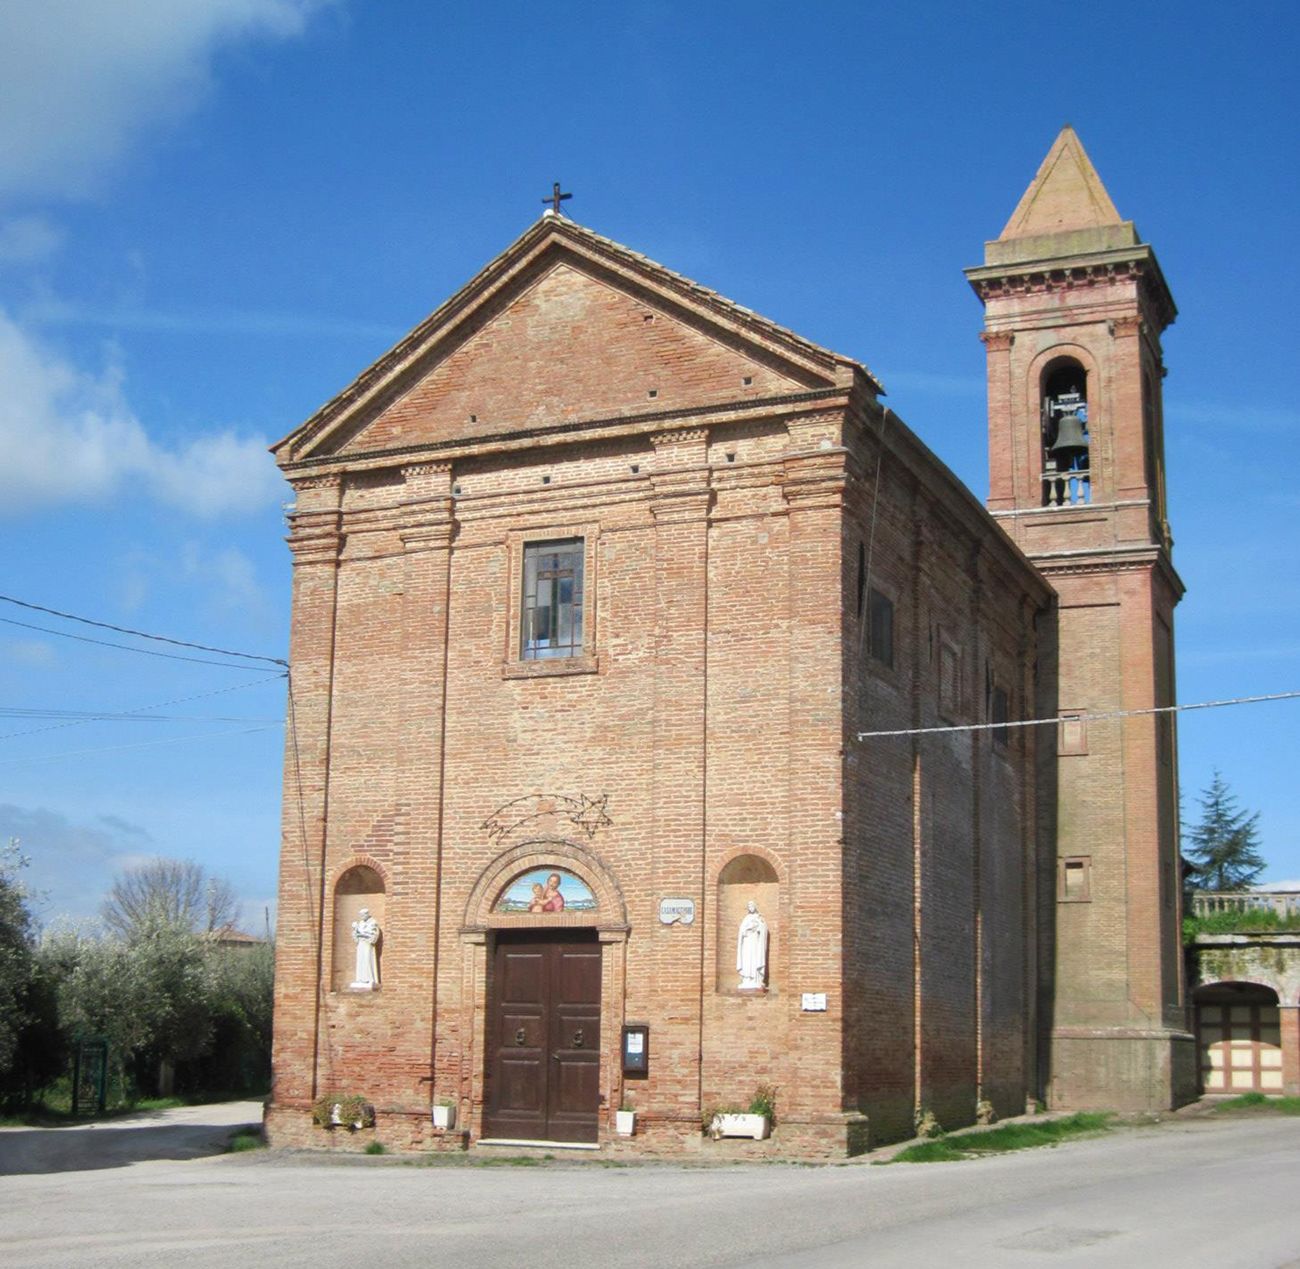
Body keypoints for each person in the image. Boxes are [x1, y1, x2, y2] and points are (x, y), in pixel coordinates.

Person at [736, 900, 768, 990]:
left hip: (755, 942)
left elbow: (763, 928)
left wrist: (759, 926)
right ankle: (746, 979)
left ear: (755, 907)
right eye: (749, 906)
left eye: (752, 906)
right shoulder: (746, 918)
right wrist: (747, 929)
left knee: (754, 958)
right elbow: (741, 930)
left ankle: (755, 979)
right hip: (747, 942)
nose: (751, 908)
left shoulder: (759, 917)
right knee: (746, 959)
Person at [351, 907, 380, 989]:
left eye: (363, 915)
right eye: (361, 915)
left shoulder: (373, 922)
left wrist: (362, 933)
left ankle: (369, 978)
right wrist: (355, 929)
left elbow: (373, 934)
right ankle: (360, 978)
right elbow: (355, 936)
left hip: (367, 944)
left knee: (367, 960)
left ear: (367, 914)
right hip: (361, 944)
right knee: (361, 960)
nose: (362, 917)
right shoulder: (360, 923)